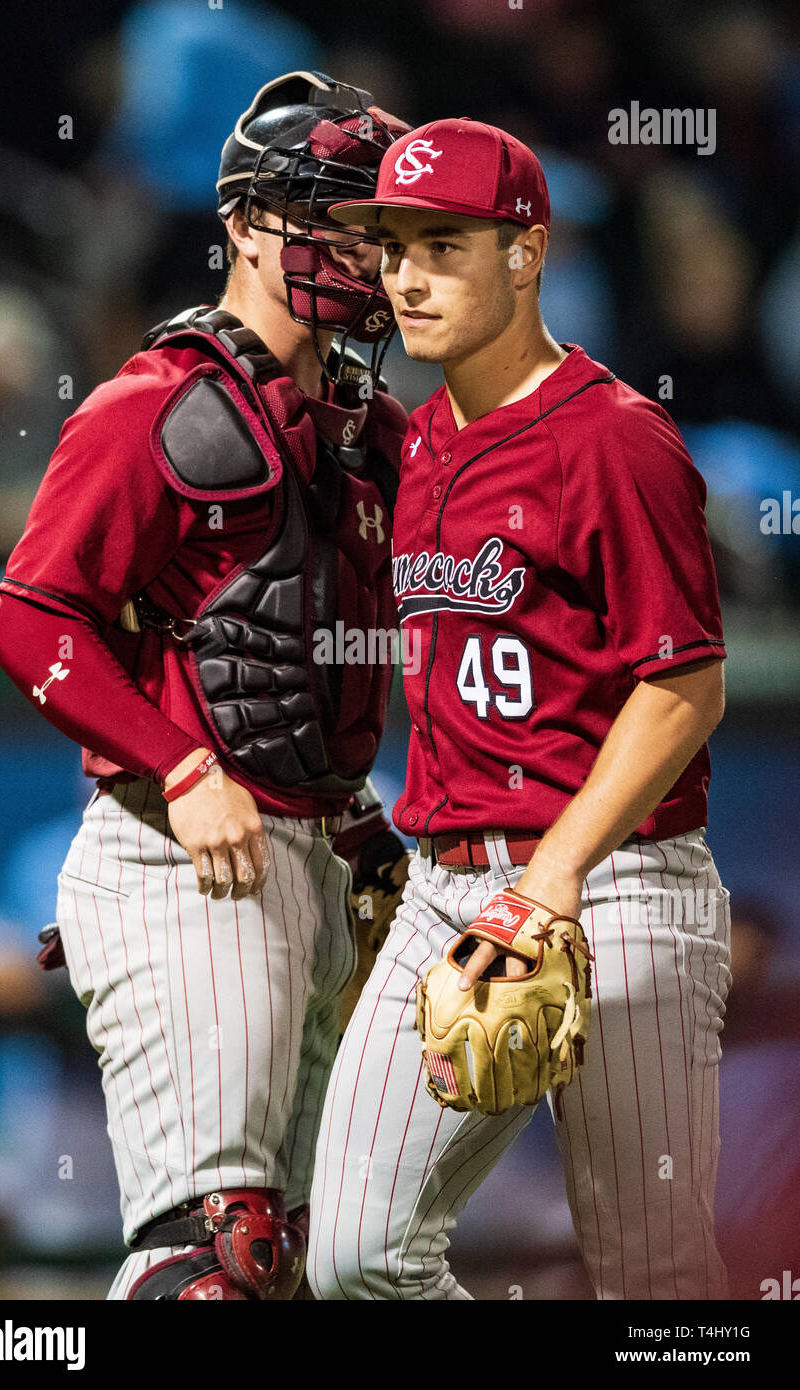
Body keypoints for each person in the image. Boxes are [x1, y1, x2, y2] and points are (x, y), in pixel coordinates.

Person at [0, 71, 413, 1301]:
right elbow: (32, 619)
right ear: (242, 224)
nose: (357, 253)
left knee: (312, 1263)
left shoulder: (364, 424)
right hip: (177, 857)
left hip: (311, 860)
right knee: (210, 1261)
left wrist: (358, 820)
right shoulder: (156, 405)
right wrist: (177, 766)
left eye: (372, 228)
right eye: (328, 218)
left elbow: (319, 662)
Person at [307, 117, 731, 1301]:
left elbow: (683, 682)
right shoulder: (424, 441)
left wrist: (551, 873)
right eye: (391, 248)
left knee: (655, 1286)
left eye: (443, 244)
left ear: (526, 252)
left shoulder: (614, 439)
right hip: (447, 888)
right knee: (351, 1259)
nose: (406, 276)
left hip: (613, 887)